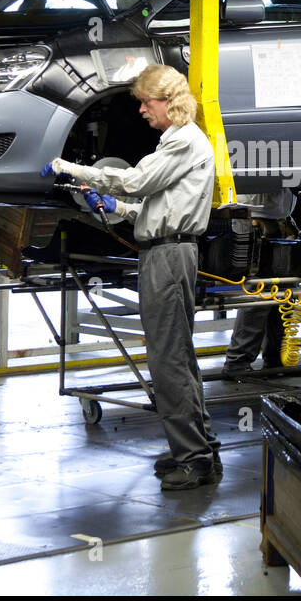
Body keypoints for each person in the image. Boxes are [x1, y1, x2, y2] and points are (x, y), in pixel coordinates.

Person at [41, 64, 221, 491]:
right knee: (178, 354)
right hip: (166, 250)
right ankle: (201, 448)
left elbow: (137, 182)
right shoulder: (176, 142)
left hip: (168, 257)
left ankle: (193, 459)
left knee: (168, 358)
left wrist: (74, 169)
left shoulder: (184, 140)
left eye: (146, 102)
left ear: (169, 101)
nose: (141, 110)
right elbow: (152, 207)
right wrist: (113, 207)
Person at [222, 189, 298, 378]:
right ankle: (237, 361)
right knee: (259, 294)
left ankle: (275, 359)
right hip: (256, 219)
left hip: (279, 218)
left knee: (284, 295)